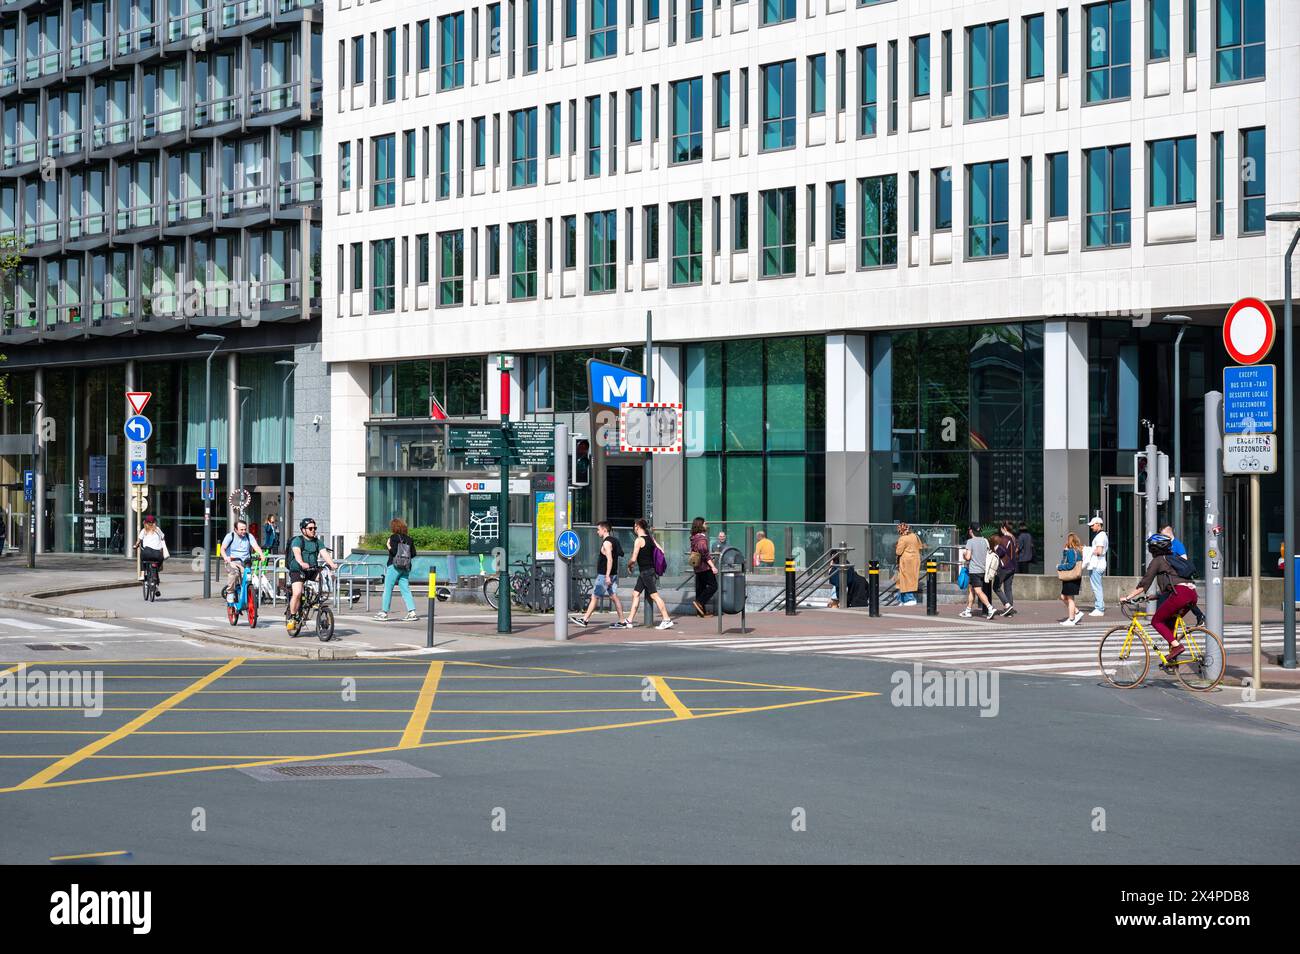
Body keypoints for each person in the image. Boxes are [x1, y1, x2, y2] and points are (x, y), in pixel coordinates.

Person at [1121, 533, 1198, 663]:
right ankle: (1173, 663)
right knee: (1169, 625)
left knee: (1156, 621)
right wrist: (1153, 597)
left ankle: (1177, 647)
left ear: (1154, 548)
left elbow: (1145, 583)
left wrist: (1127, 597)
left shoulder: (1158, 561)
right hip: (1192, 594)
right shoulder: (1174, 558)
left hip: (1180, 595)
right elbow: (1174, 584)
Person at [613, 519, 674, 630]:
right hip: (647, 571)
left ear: (637, 526)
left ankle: (666, 619)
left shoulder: (639, 540)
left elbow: (633, 558)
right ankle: (630, 620)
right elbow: (662, 551)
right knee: (635, 594)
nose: (634, 528)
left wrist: (629, 565)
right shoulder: (650, 538)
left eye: (634, 526)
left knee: (654, 595)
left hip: (646, 572)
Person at [285, 517, 339, 633]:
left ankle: (316, 601)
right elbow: (297, 552)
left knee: (325, 578)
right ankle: (293, 617)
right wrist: (301, 562)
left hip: (312, 569)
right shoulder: (298, 540)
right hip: (298, 570)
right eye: (310, 528)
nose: (313, 530)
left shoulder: (317, 542)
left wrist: (332, 564)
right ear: (303, 530)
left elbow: (324, 553)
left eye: (315, 528)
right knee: (298, 593)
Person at [570, 521, 626, 628]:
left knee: (594, 596)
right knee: (614, 596)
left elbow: (610, 559)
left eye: (598, 529)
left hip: (605, 575)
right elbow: (621, 553)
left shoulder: (607, 543)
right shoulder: (615, 541)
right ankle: (622, 621)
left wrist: (607, 575)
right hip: (613, 574)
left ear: (604, 530)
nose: (597, 532)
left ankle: (585, 619)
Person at [1160, 524, 1207, 625]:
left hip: (1179, 576)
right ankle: (1198, 615)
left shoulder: (1177, 544)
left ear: (1168, 534)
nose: (1161, 537)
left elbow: (1184, 559)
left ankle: (1197, 615)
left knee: (1179, 598)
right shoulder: (1167, 544)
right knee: (1179, 598)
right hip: (1172, 577)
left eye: (1163, 535)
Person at [374, 517, 418, 621]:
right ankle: (412, 612)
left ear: (394, 527)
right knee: (405, 590)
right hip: (406, 567)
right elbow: (414, 554)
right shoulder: (409, 539)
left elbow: (394, 552)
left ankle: (384, 612)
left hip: (394, 567)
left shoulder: (393, 538)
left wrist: (388, 546)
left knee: (388, 589)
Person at [221, 518, 265, 604]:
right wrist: (226, 557)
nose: (244, 531)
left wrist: (261, 555)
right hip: (232, 561)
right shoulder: (230, 536)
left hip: (246, 562)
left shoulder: (249, 536)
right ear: (235, 529)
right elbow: (222, 549)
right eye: (241, 530)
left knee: (247, 579)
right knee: (234, 573)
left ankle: (247, 594)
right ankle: (230, 593)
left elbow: (256, 546)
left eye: (245, 529)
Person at [959, 524, 996, 619]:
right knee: (971, 590)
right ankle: (968, 610)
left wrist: (964, 554)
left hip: (974, 570)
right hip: (983, 570)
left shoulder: (970, 542)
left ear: (971, 531)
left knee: (978, 591)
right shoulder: (985, 541)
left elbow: (968, 557)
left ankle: (990, 608)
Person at [689, 517, 719, 616]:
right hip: (704, 567)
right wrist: (713, 567)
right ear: (700, 525)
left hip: (697, 566)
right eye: (705, 523)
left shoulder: (694, 537)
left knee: (700, 588)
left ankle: (701, 613)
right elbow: (705, 554)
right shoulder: (702, 538)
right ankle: (700, 602)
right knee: (713, 586)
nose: (706, 525)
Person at [134, 514, 170, 596]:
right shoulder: (157, 530)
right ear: (154, 522)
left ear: (145, 523)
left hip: (147, 553)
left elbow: (138, 541)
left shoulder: (143, 531)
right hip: (157, 555)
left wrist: (135, 546)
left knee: (141, 557)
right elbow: (163, 538)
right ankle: (156, 584)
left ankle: (143, 574)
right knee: (157, 566)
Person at [1057, 532, 1085, 626]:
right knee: (1063, 597)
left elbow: (1070, 564)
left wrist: (1060, 567)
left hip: (1070, 577)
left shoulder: (1071, 551)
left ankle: (1071, 619)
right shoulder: (1078, 551)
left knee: (1070, 599)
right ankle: (1077, 612)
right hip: (1075, 577)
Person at [992, 522, 1018, 617]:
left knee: (996, 587)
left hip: (1004, 567)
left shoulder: (1004, 539)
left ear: (1004, 528)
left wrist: (995, 548)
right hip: (1012, 566)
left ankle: (1007, 606)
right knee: (1008, 589)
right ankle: (1010, 610)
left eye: (1001, 528)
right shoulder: (1013, 538)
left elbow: (1001, 552)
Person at [893, 522, 921, 605]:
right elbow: (920, 546)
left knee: (905, 580)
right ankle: (902, 599)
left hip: (906, 561)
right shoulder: (915, 536)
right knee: (910, 579)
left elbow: (898, 551)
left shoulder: (903, 538)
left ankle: (910, 599)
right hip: (915, 559)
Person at [1086, 516, 1109, 616]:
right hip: (1099, 564)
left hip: (1097, 564)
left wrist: (1088, 550)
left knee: (1096, 587)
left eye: (1092, 525)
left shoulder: (1100, 536)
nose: (1091, 527)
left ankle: (1099, 608)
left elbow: (1099, 551)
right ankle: (1099, 606)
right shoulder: (1102, 535)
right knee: (1097, 586)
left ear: (1098, 524)